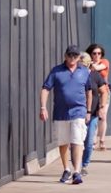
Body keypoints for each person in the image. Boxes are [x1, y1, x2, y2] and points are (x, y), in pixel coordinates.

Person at [39, 45, 95, 185]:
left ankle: (77, 171)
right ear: (65, 56)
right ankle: (66, 169)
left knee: (77, 140)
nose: (72, 58)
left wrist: (88, 111)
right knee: (63, 141)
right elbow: (46, 89)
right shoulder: (56, 71)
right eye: (70, 55)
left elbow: (89, 92)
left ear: (78, 58)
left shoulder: (84, 71)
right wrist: (43, 107)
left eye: (75, 56)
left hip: (79, 111)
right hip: (60, 112)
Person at [82, 44, 111, 169]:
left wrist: (102, 106)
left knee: (103, 117)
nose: (97, 55)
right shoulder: (80, 73)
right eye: (94, 53)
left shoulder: (102, 63)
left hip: (101, 94)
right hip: (81, 107)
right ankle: (78, 163)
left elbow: (101, 66)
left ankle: (101, 140)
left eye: (99, 53)